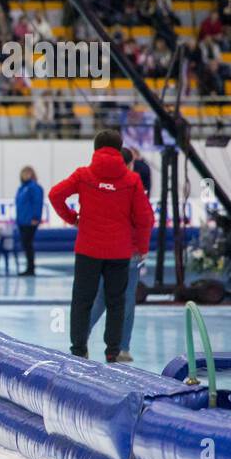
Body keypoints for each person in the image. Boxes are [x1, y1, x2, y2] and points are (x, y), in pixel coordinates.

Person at [49, 130, 154, 362]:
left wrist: (73, 218)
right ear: (119, 149)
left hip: (88, 248)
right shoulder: (132, 180)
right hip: (119, 251)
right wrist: (143, 247)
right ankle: (112, 351)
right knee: (116, 300)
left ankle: (78, 349)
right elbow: (145, 217)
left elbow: (55, 194)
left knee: (82, 300)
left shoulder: (84, 175)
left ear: (95, 149)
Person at [90, 148, 146, 362]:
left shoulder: (100, 184)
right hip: (126, 252)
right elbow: (143, 219)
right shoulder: (132, 185)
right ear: (130, 164)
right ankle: (121, 347)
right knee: (126, 300)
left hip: (105, 250)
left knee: (102, 298)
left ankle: (80, 340)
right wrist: (141, 247)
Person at [15, 165, 44, 277]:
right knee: (25, 244)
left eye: (27, 173)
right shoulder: (22, 188)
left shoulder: (34, 187)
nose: (24, 175)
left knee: (28, 244)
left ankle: (31, 268)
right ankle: (29, 267)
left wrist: (36, 217)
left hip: (30, 221)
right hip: (22, 220)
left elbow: (37, 203)